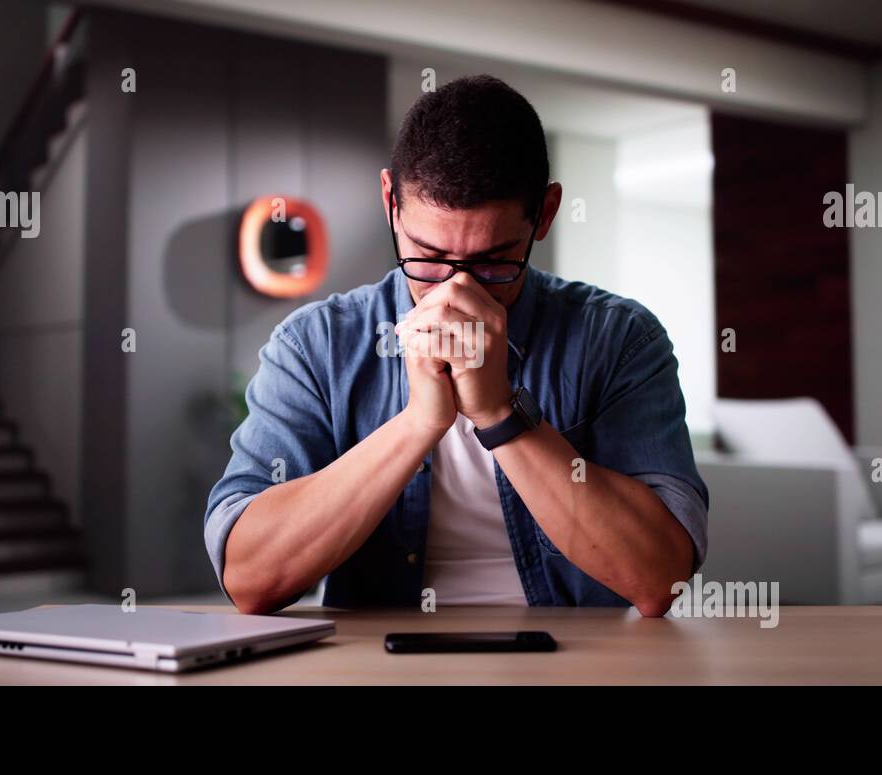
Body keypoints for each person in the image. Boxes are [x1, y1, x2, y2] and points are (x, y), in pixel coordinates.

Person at [205, 74, 707, 616]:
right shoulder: (316, 345)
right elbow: (251, 577)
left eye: (492, 262)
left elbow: (661, 580)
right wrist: (417, 425)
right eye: (426, 256)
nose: (454, 290)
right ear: (390, 203)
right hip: (378, 664)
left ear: (545, 213)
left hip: (573, 660)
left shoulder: (620, 339)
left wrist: (500, 415)